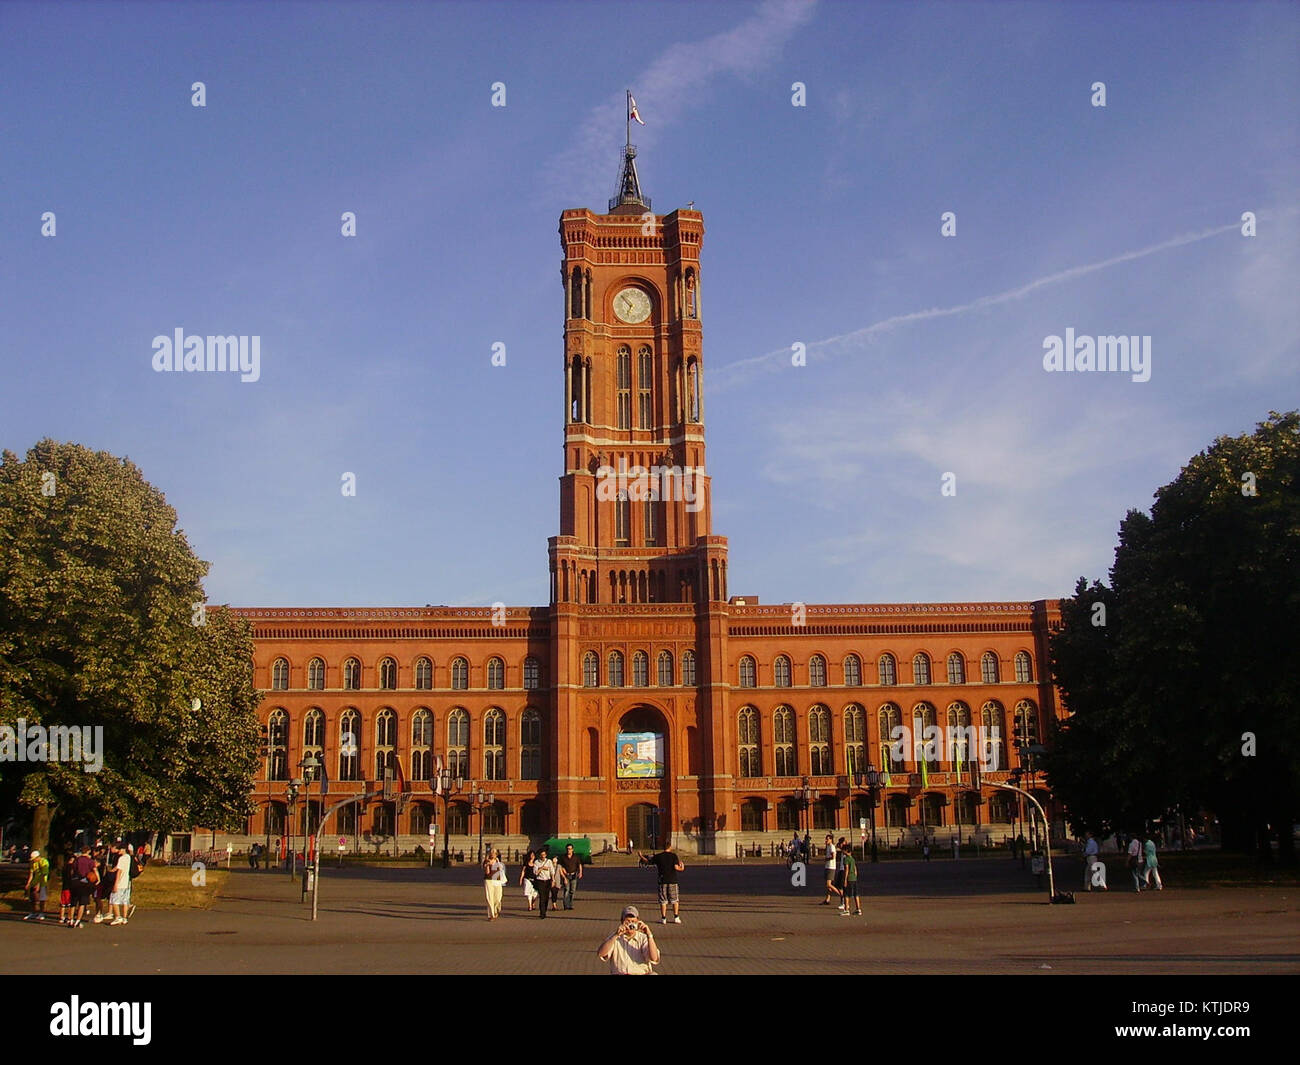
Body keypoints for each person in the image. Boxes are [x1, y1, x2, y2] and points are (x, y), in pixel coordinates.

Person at [596, 905, 660, 975]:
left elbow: (654, 958)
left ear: (638, 922)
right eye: (627, 921)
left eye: (633, 921)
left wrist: (649, 935)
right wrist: (616, 935)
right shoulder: (615, 937)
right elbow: (601, 954)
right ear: (622, 922)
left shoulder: (643, 938)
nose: (630, 925)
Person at [639, 840, 684, 924]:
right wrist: (682, 867)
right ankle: (676, 917)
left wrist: (641, 856)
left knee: (663, 900)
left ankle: (663, 918)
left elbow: (648, 862)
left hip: (662, 880)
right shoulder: (673, 856)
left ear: (663, 847)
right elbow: (676, 868)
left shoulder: (658, 856)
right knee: (675, 900)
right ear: (670, 847)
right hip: (672, 880)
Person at [109, 841, 132, 926]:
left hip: (121, 883)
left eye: (120, 849)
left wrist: (116, 884)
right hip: (126, 883)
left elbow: (119, 871)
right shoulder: (128, 857)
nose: (119, 851)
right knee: (125, 901)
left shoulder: (122, 858)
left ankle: (118, 917)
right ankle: (125, 918)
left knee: (114, 900)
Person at [22, 848, 49, 921]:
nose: (33, 860)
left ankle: (41, 913)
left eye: (34, 859)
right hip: (34, 882)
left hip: (42, 882)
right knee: (32, 898)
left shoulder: (44, 862)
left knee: (41, 898)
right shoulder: (33, 864)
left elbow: (44, 874)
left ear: (38, 857)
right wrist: (28, 883)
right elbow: (31, 874)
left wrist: (39, 884)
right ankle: (33, 912)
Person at [483, 847, 507, 920]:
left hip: (497, 880)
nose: (493, 854)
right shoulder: (486, 861)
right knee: (490, 897)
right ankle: (491, 915)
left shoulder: (497, 861)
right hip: (489, 880)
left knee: (498, 897)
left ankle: (496, 909)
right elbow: (487, 873)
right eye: (492, 852)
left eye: (494, 852)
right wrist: (488, 865)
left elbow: (501, 870)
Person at [558, 843, 583, 910]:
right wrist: (563, 873)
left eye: (570, 849)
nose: (568, 850)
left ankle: (571, 904)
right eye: (567, 849)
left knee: (572, 890)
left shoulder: (576, 857)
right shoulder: (563, 857)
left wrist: (580, 872)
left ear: (572, 849)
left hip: (574, 875)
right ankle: (566, 905)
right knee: (566, 890)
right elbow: (560, 866)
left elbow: (579, 865)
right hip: (566, 876)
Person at [533, 847, 556, 918]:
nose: (543, 856)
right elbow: (535, 872)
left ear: (546, 855)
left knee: (546, 897)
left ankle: (545, 910)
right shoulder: (536, 862)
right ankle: (542, 912)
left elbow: (552, 871)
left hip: (548, 881)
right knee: (542, 897)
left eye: (544, 855)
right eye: (542, 855)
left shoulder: (549, 861)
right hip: (540, 881)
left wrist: (553, 880)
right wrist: (542, 868)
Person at [840, 841, 861, 916]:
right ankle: (858, 909)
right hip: (854, 878)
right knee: (856, 894)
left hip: (849, 878)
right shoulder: (852, 859)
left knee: (846, 894)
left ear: (846, 851)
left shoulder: (846, 859)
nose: (842, 851)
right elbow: (855, 869)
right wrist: (855, 876)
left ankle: (846, 910)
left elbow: (846, 869)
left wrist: (845, 879)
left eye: (843, 850)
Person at [821, 834, 840, 906]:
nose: (826, 840)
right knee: (828, 885)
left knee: (828, 884)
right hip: (827, 866)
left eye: (827, 839)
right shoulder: (828, 846)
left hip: (831, 867)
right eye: (826, 839)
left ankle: (842, 895)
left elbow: (833, 857)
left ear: (831, 840)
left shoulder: (832, 847)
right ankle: (827, 899)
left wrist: (827, 859)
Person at [58, 849, 75, 925]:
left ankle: (61, 917)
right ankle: (69, 917)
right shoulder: (72, 867)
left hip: (64, 887)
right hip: (70, 887)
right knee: (69, 904)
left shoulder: (64, 867)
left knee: (63, 904)